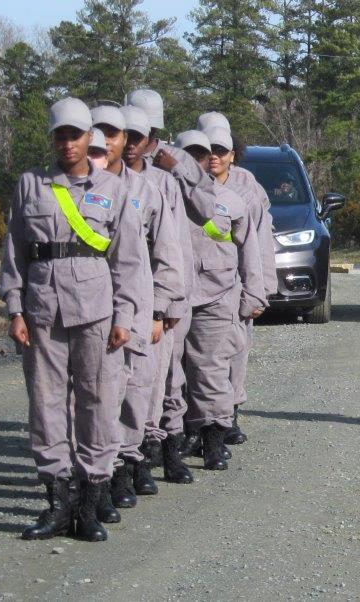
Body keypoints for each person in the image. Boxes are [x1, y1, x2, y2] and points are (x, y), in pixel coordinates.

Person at [0, 97, 143, 541]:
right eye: (60, 135)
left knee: (98, 401)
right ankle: (57, 502)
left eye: (75, 135)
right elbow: (15, 251)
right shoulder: (31, 185)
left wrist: (126, 314)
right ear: (53, 138)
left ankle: (89, 502)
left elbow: (130, 261)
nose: (67, 143)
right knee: (45, 404)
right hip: (42, 310)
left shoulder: (115, 190)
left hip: (98, 311)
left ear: (89, 139)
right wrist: (15, 307)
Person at [90, 105, 183, 518]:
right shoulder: (71, 188)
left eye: (116, 134)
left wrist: (161, 308)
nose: (109, 141)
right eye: (102, 132)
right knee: (92, 390)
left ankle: (127, 465)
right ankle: (94, 472)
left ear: (129, 140)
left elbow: (166, 252)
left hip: (140, 297)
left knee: (138, 386)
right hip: (89, 300)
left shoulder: (148, 190)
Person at [123, 89, 218, 478]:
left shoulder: (172, 166)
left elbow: (208, 209)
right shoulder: (114, 169)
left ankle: (169, 446)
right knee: (131, 379)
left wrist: (174, 301)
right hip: (128, 288)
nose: (133, 144)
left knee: (170, 373)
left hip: (173, 285)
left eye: (139, 136)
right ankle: (135, 458)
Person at [177, 130, 265, 470]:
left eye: (209, 153)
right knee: (169, 375)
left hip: (216, 294)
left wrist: (254, 294)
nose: (203, 160)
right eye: (194, 154)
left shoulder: (233, 199)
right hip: (169, 296)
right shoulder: (164, 194)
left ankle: (213, 440)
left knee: (210, 370)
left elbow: (252, 251)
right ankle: (170, 443)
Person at [199, 113, 276, 446]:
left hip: (235, 285)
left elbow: (260, 241)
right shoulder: (182, 181)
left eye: (221, 148)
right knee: (196, 361)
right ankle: (197, 422)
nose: (213, 156)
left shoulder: (247, 186)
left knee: (233, 352)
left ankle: (228, 416)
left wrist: (259, 291)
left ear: (233, 152)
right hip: (194, 285)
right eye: (207, 148)